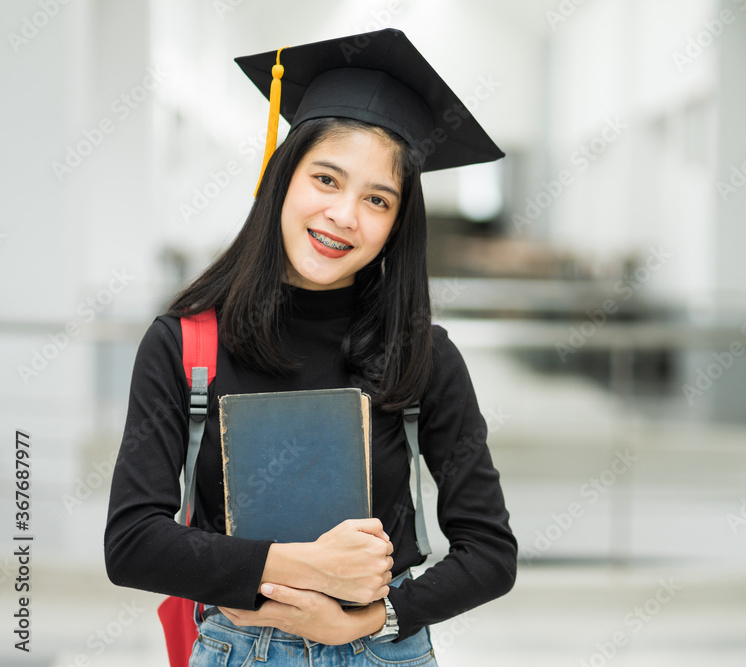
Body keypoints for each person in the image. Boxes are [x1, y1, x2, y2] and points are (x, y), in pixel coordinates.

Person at [104, 28, 517, 666]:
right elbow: (132, 543)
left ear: (398, 224)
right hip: (240, 649)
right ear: (283, 177)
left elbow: (490, 553)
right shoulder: (186, 344)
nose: (344, 214)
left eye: (376, 199)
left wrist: (376, 620)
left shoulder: (424, 356)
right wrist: (305, 570)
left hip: (385, 651)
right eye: (327, 179)